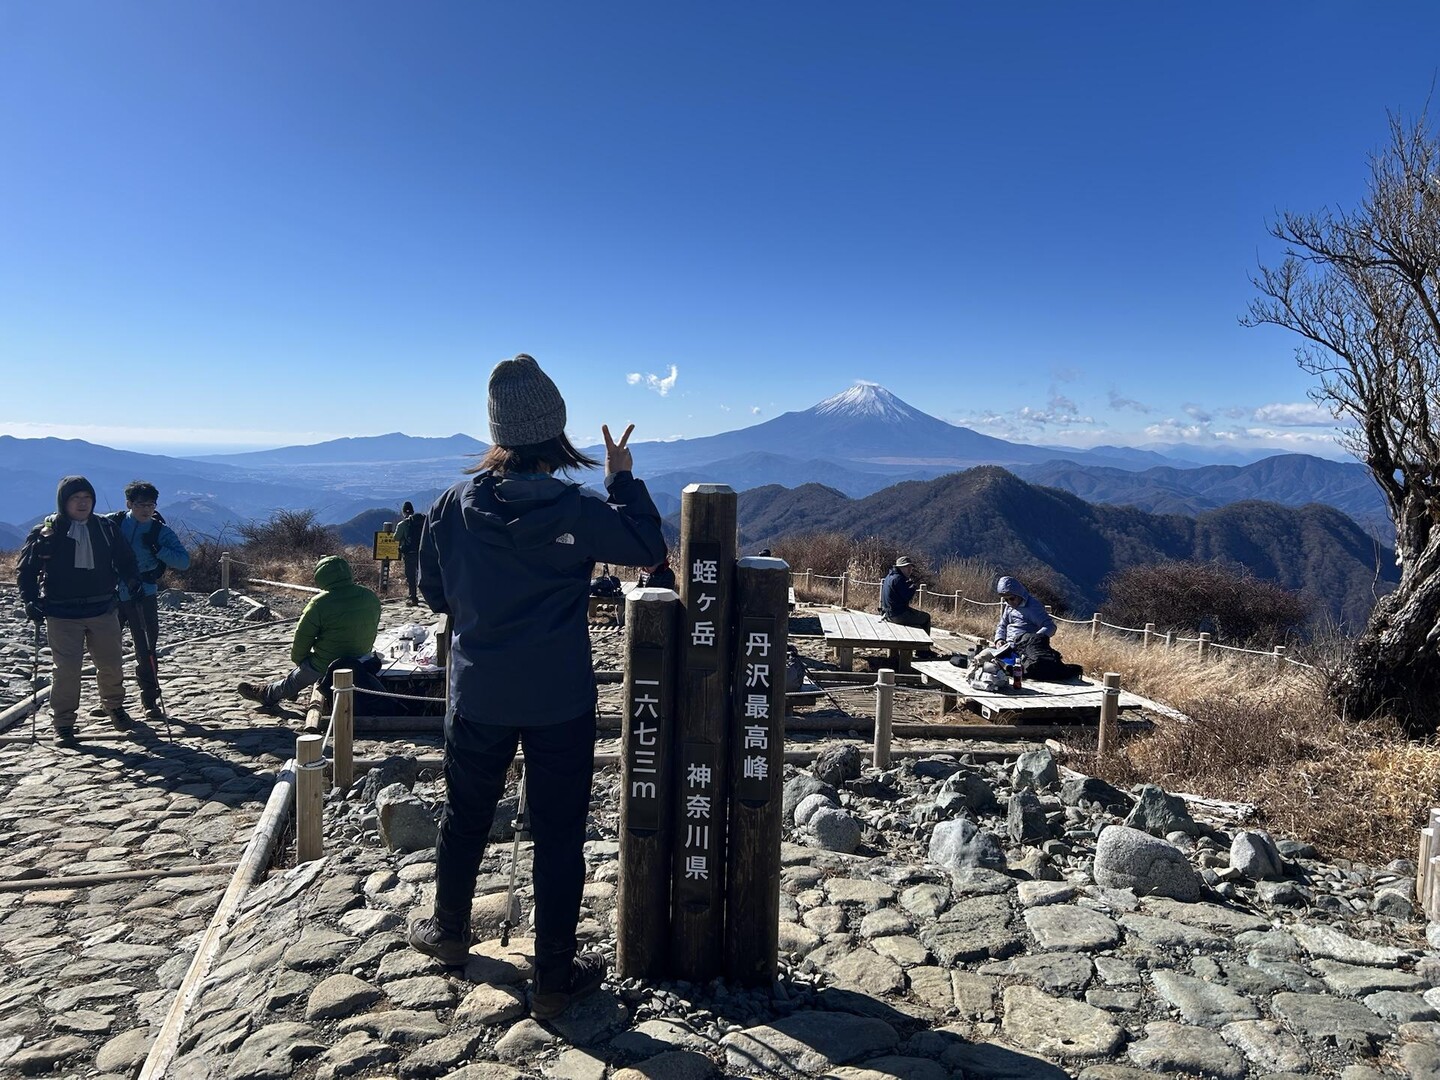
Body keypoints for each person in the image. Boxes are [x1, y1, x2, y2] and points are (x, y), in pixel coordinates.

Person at [409, 353, 664, 1022]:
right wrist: (622, 480)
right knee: (558, 833)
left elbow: (431, 590)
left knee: (466, 817)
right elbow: (645, 550)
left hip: (479, 692)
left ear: (498, 432)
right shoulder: (577, 506)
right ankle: (554, 973)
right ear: (557, 433)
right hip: (560, 697)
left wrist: (475, 613)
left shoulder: (452, 506)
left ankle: (448, 933)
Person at [16, 476, 142, 742]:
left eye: (87, 498)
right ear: (64, 501)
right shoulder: (46, 533)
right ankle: (63, 723)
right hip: (61, 613)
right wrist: (29, 600)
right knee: (66, 671)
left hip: (103, 608)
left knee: (111, 664)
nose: (83, 503)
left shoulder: (106, 528)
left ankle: (115, 707)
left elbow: (125, 559)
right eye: (76, 498)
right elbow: (26, 570)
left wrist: (133, 580)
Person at [237, 555, 381, 709]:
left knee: (298, 677)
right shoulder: (369, 596)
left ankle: (267, 694)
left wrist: (299, 661)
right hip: (362, 658)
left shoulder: (320, 603)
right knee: (302, 673)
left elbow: (302, 637)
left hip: (327, 663)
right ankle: (291, 687)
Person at [112, 481, 191, 720]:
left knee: (146, 650)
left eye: (150, 504)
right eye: (140, 504)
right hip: (112, 593)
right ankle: (112, 702)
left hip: (144, 594)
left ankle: (149, 701)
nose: (146, 510)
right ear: (129, 504)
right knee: (106, 651)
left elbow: (184, 562)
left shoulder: (159, 531)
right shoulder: (113, 524)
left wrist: (159, 549)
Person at [993, 575, 1057, 647]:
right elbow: (1002, 625)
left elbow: (1050, 627)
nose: (1009, 602)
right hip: (1007, 646)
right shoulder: (1009, 606)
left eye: (1012, 598)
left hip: (1025, 648)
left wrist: (1034, 639)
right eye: (1006, 600)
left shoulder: (1033, 607)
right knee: (981, 657)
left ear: (1018, 594)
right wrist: (999, 639)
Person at [879, 555, 931, 633]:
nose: (910, 570)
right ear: (900, 567)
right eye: (907, 567)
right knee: (926, 617)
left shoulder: (889, 576)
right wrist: (912, 587)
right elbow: (907, 597)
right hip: (897, 615)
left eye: (911, 568)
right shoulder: (898, 579)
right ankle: (924, 644)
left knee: (917, 616)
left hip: (887, 613)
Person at [393, 501, 425, 605]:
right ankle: (428, 596)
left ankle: (413, 597)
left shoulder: (402, 524)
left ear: (403, 512)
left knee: (411, 576)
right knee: (423, 574)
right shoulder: (423, 521)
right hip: (422, 552)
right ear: (413, 510)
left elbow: (396, 538)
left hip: (409, 553)